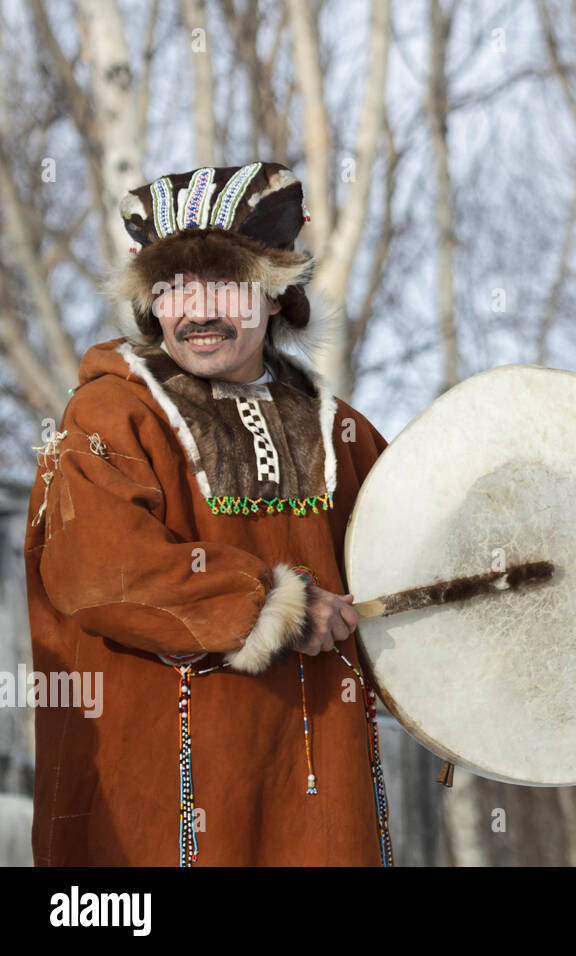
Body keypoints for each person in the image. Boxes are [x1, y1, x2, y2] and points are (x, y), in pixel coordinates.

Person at [24, 162, 393, 865]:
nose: (195, 311)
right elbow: (100, 569)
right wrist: (270, 604)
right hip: (162, 810)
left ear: (279, 295)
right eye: (171, 288)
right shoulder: (109, 413)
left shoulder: (340, 432)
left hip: (321, 804)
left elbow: (422, 553)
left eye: (225, 284)